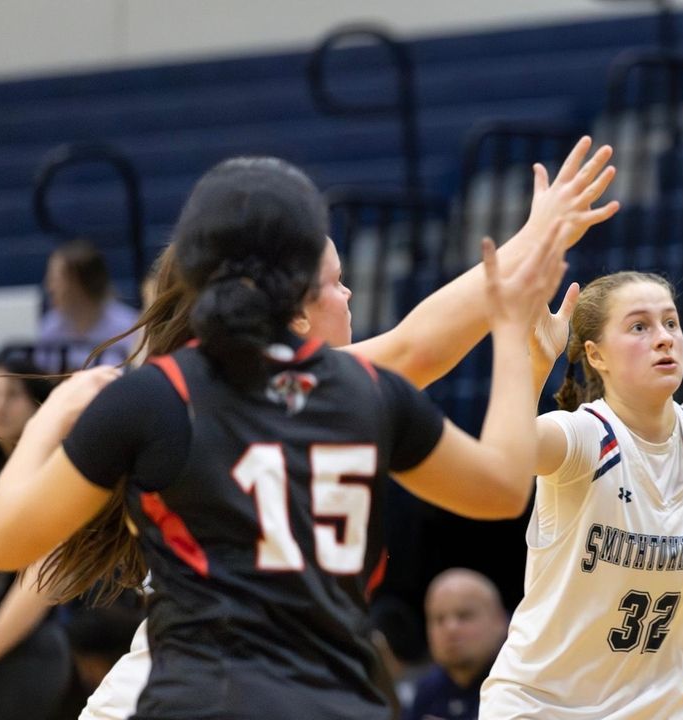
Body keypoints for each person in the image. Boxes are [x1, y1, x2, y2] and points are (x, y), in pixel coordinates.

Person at [34, 138, 617, 720]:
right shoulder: (257, 395)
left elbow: (421, 344)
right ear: (295, 309)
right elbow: (425, 357)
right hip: (194, 687)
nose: (350, 292)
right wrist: (533, 263)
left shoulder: (232, 393)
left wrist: (537, 247)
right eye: (337, 281)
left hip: (233, 688)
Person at [479, 271, 683, 719]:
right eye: (640, 326)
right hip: (540, 708)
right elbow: (502, 455)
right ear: (596, 355)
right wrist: (534, 366)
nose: (663, 339)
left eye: (671, 323)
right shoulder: (584, 437)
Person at [0, 359, 74, 720]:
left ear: (39, 404)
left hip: (28, 642)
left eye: (12, 393)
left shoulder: (60, 474)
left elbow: (47, 578)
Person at [405, 569, 507, 720]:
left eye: (464, 615)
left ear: (500, 621)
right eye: (439, 619)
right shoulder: (428, 690)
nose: (450, 629)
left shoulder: (523, 685)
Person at [37, 238, 140, 370]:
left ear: (81, 283)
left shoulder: (129, 327)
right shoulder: (50, 328)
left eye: (56, 279)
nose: (49, 287)